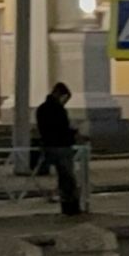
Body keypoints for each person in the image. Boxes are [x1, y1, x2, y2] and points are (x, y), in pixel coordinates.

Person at [35, 82, 83, 216]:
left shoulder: (41, 109)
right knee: (67, 177)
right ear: (59, 94)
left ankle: (67, 205)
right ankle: (71, 207)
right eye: (65, 98)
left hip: (49, 146)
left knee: (64, 177)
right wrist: (74, 133)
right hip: (62, 146)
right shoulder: (59, 110)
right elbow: (62, 129)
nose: (65, 102)